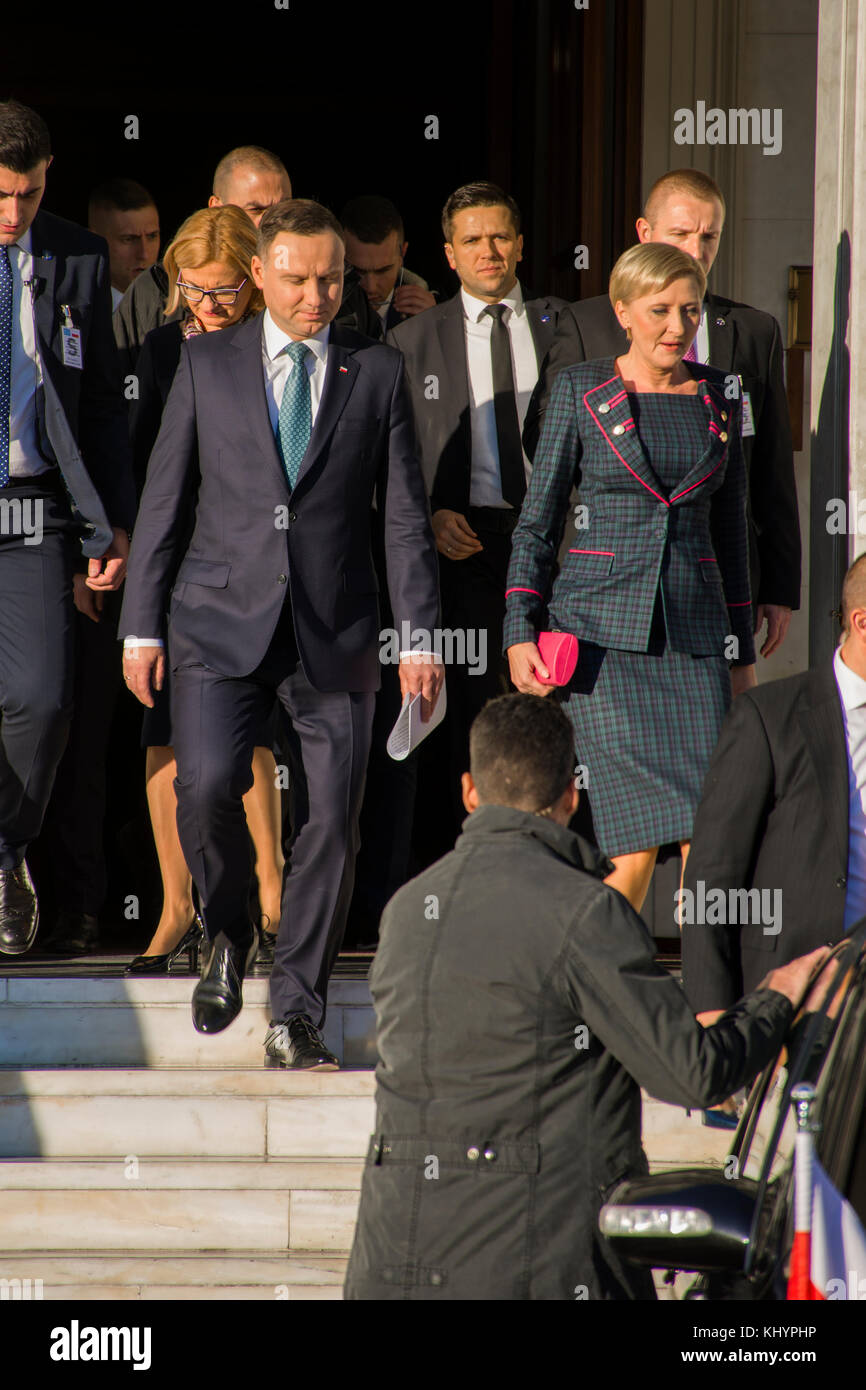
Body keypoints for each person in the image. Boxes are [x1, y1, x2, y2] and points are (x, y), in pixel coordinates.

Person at [343, 693, 829, 1301]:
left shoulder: (407, 910)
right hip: (539, 1267)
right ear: (573, 796)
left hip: (387, 1265)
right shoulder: (585, 912)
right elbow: (694, 1072)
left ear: (470, 791)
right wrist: (778, 995)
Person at [119, 199, 442, 1066]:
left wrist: (419, 638)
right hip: (217, 620)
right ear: (260, 274)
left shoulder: (374, 371)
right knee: (207, 786)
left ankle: (295, 1012)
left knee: (333, 823)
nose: (316, 295)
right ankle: (226, 932)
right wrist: (139, 626)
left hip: (335, 630)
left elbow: (403, 515)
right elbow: (163, 501)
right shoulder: (204, 363)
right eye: (297, 278)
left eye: (331, 278)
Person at [505, 242, 755, 914]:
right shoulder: (583, 389)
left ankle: (709, 999)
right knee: (634, 843)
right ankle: (610, 995)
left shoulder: (721, 396)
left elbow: (732, 535)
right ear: (623, 312)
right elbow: (537, 522)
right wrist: (517, 629)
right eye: (661, 310)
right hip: (601, 644)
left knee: (712, 834)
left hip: (694, 645)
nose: (678, 326)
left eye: (691, 310)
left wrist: (742, 655)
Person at [524, 167, 800, 660]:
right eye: (681, 234)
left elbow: (772, 466)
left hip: (717, 581)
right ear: (645, 234)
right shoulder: (586, 322)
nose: (696, 250)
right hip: (606, 583)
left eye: (709, 236)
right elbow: (547, 447)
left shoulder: (754, 330)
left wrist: (779, 585)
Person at [124, 205, 285, 973]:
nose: (211, 305)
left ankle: (271, 890)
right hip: (173, 555)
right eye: (195, 290)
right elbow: (138, 463)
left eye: (226, 291)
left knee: (243, 729)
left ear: (254, 281)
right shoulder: (159, 349)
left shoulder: (276, 346)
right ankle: (176, 906)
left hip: (253, 556)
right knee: (163, 729)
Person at [389, 181, 567, 853]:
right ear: (448, 254)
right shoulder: (411, 341)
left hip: (553, 548)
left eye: (500, 236)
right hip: (462, 551)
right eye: (472, 240)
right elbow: (393, 460)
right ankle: (471, 871)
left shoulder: (565, 324)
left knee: (551, 711)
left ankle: (554, 867)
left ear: (520, 244)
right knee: (470, 719)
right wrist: (431, 516)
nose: (488, 250)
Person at [0, 99, 134, 956]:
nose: (14, 215)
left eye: (31, 195)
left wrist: (108, 528)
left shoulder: (78, 258)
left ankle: (7, 850)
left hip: (36, 504)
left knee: (43, 700)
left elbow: (101, 409)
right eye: (0, 196)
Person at [681, 554, 866, 1020]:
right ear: (862, 622)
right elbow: (713, 874)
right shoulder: (769, 718)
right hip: (793, 997)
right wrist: (711, 1014)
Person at [114, 147, 378, 377]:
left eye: (282, 207)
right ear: (216, 207)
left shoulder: (335, 288)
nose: (273, 221)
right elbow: (115, 391)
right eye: (256, 210)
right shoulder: (156, 287)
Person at [340, 195, 436, 337]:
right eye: (358, 271)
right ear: (338, 257)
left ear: (403, 253)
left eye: (383, 271)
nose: (371, 287)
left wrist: (437, 329)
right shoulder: (322, 312)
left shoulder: (438, 310)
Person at [87, 179, 160, 309]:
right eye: (129, 239)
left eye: (152, 236)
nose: (144, 253)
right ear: (94, 241)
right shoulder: (80, 309)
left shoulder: (177, 308)